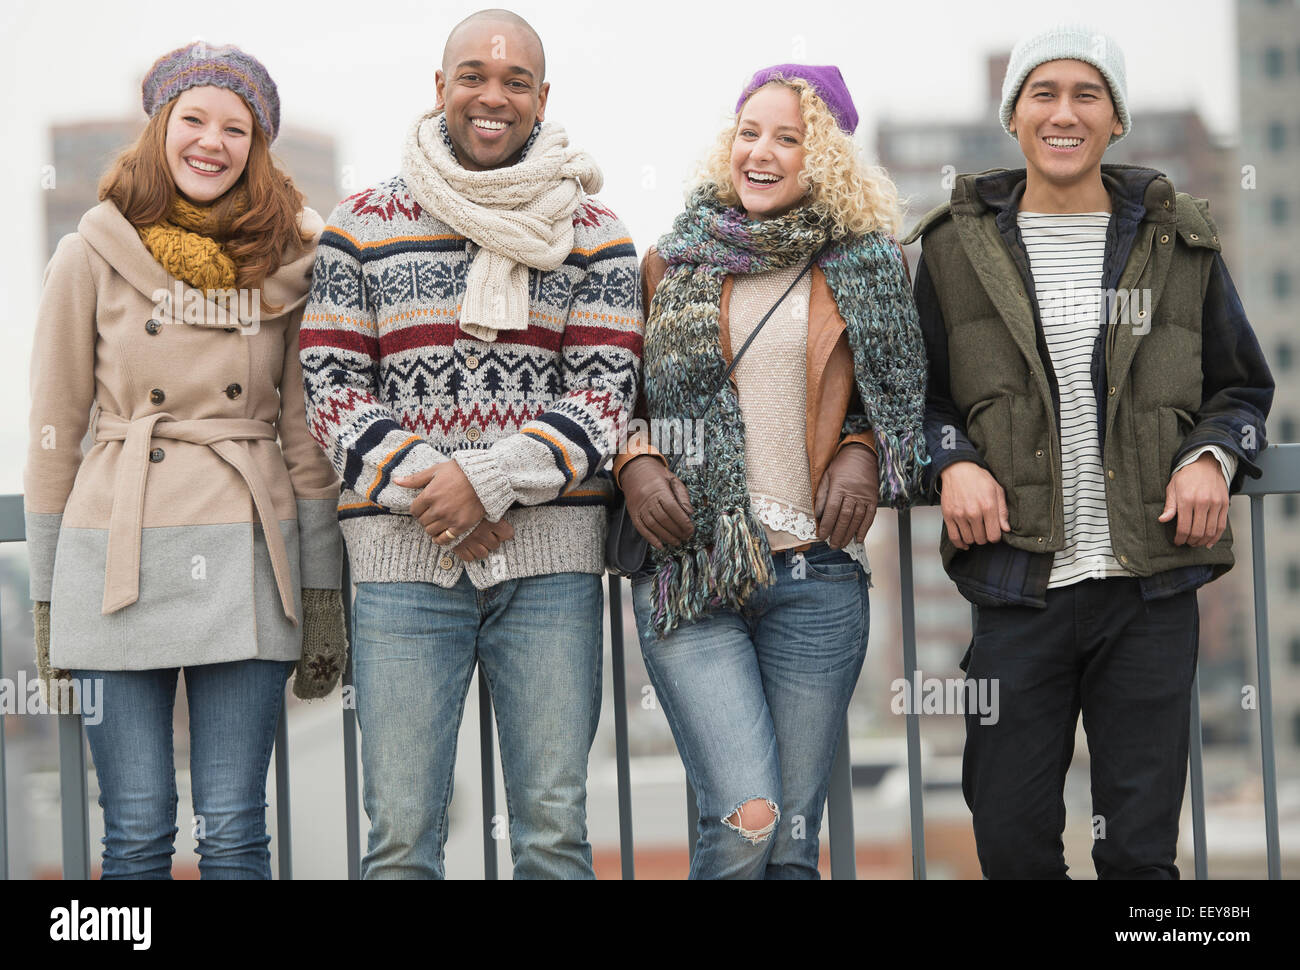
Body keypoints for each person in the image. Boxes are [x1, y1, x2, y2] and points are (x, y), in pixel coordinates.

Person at [903, 24, 1275, 879]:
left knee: (1141, 857)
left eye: (1086, 95)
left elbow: (1243, 391)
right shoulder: (954, 248)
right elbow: (915, 400)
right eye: (1044, 93)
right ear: (1014, 118)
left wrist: (1211, 458)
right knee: (1010, 842)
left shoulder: (1180, 241)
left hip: (1149, 589)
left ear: (1115, 122)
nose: (1063, 113)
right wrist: (952, 458)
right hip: (1015, 587)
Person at [300, 8, 641, 879]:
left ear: (542, 97)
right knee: (402, 838)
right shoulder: (362, 225)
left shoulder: (594, 234)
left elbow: (605, 394)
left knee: (554, 832)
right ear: (440, 88)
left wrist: (484, 483)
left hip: (551, 567)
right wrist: (440, 495)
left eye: (515, 82)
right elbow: (331, 388)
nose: (493, 97)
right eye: (473, 78)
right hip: (400, 567)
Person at [25, 41, 347, 879]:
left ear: (257, 147)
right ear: (161, 127)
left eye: (236, 128)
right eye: (194, 118)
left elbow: (307, 442)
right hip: (114, 558)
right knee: (133, 831)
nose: (212, 141)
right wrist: (49, 602)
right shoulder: (88, 252)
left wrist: (319, 595)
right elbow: (54, 433)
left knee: (236, 829)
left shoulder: (290, 264)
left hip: (246, 556)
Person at [613, 64, 928, 879]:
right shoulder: (670, 263)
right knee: (746, 820)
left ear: (820, 157)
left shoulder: (867, 266)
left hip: (816, 582)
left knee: (790, 847)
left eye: (787, 137)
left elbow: (896, 407)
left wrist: (862, 453)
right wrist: (639, 463)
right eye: (749, 132)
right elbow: (616, 397)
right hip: (694, 575)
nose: (761, 151)